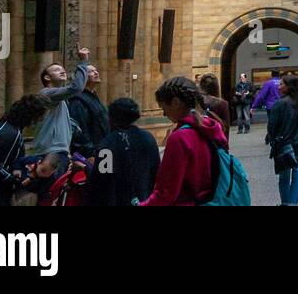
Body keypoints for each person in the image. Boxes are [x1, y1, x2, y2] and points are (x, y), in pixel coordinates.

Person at [140, 76, 227, 206]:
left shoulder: (180, 138)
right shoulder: (211, 127)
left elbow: (167, 192)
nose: (164, 114)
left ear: (176, 103)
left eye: (164, 108)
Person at [29, 47, 91, 190]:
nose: (62, 71)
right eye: (57, 70)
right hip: (51, 151)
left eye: (62, 69)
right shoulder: (47, 93)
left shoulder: (60, 100)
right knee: (51, 193)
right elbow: (75, 88)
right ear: (47, 78)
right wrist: (83, 62)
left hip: (58, 150)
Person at [87, 98, 160, 207]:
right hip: (145, 200)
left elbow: (101, 181)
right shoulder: (148, 138)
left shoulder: (107, 145)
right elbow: (156, 172)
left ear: (111, 118)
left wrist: (86, 169)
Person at [267, 74, 298, 205]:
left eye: (281, 84)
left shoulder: (280, 104)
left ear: (289, 87)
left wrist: (273, 142)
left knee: (284, 178)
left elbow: (272, 127)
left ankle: (285, 203)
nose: (278, 86)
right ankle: (292, 204)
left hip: (284, 145)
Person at [67, 65, 109, 161]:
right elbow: (80, 130)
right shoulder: (77, 100)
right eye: (91, 71)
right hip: (91, 154)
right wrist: (89, 153)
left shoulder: (92, 96)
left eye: (96, 70)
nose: (96, 73)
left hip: (102, 150)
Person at [198, 74, 233, 140]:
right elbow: (226, 128)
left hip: (200, 141)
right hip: (216, 141)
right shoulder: (222, 103)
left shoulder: (196, 101)